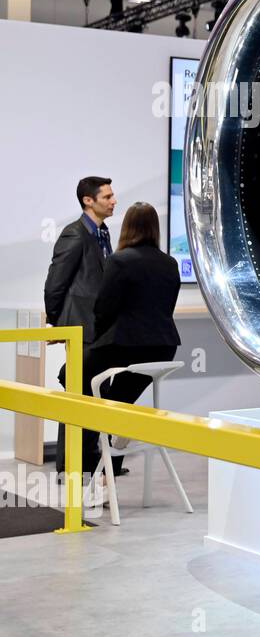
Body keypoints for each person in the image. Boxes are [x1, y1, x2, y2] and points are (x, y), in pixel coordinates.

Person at [80, 202, 183, 477]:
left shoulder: (119, 260)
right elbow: (166, 308)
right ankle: (110, 460)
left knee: (71, 374)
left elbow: (104, 309)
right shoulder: (170, 263)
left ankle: (91, 452)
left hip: (124, 344)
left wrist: (98, 337)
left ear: (127, 227)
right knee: (120, 398)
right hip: (162, 347)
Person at [44, 176, 116, 474]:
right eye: (107, 197)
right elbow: (55, 283)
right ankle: (69, 464)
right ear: (89, 200)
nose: (113, 201)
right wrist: (55, 323)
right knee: (78, 391)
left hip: (99, 326)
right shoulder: (75, 234)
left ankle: (92, 459)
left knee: (95, 390)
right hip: (80, 326)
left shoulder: (102, 233)